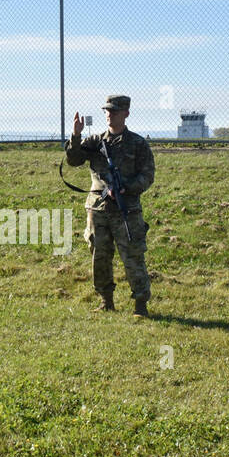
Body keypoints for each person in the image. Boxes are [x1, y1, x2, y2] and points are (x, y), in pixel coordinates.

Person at [65, 95, 155, 317]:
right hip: (98, 210)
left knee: (133, 256)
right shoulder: (95, 141)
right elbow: (73, 160)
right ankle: (106, 300)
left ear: (126, 113)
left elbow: (147, 176)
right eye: (107, 110)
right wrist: (76, 135)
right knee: (100, 256)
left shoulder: (137, 144)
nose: (109, 114)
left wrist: (127, 188)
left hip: (127, 209)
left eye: (115, 111)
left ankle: (140, 304)